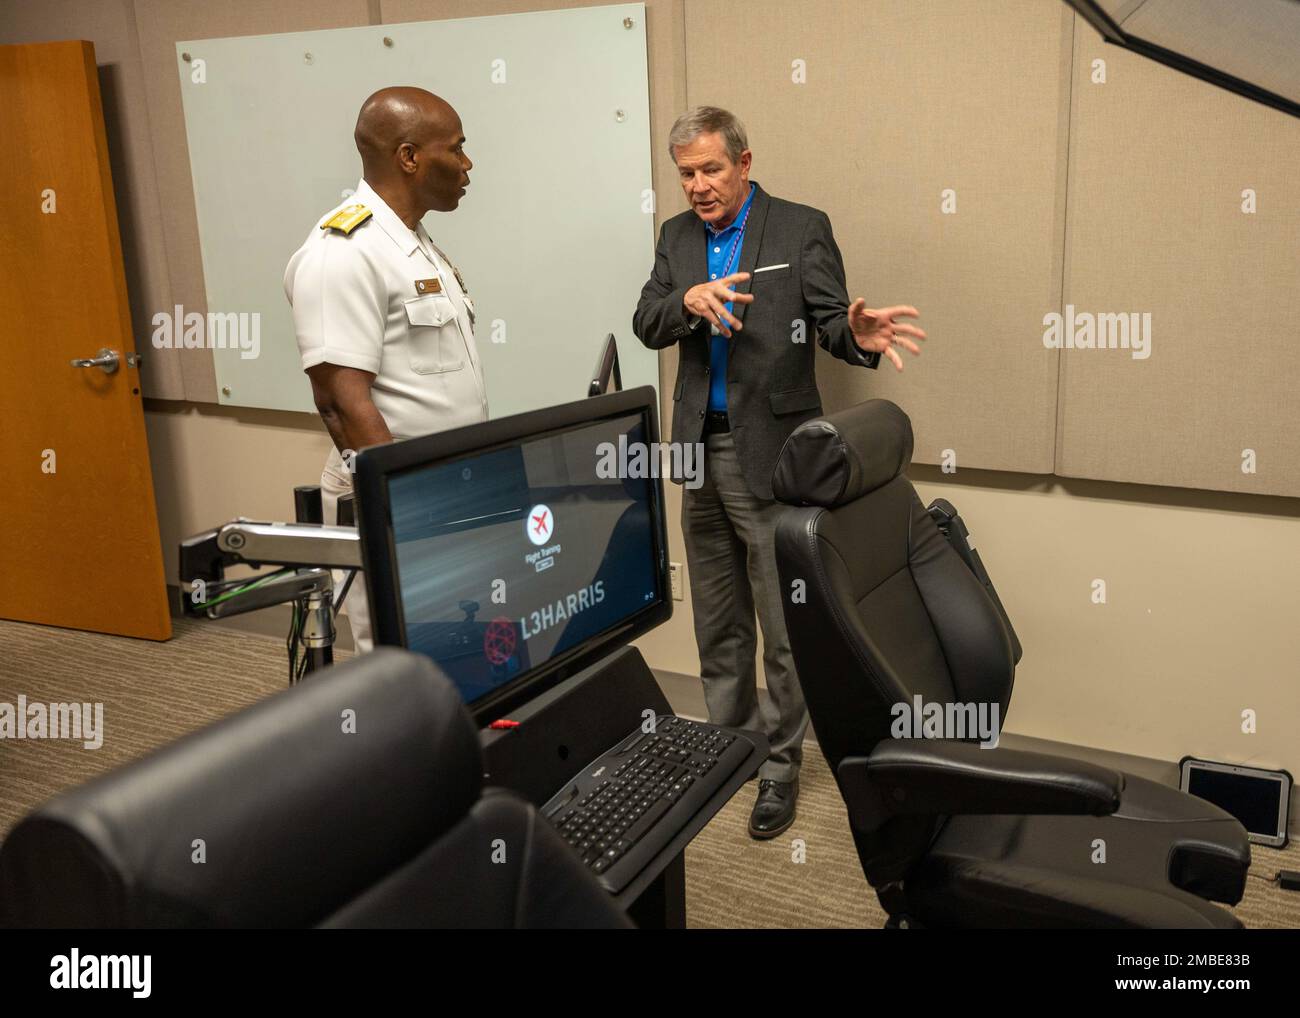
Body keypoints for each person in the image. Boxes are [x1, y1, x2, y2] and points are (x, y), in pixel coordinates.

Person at [633, 106, 925, 838]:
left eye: (711, 170)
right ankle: (724, 750)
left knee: (782, 629)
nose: (699, 186)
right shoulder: (676, 237)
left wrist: (855, 338)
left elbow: (833, 321)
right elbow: (646, 319)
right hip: (698, 448)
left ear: (745, 162)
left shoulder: (800, 228)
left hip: (772, 455)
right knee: (717, 620)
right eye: (687, 174)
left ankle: (779, 769)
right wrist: (685, 302)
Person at [284, 86, 485, 653]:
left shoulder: (415, 244)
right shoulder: (343, 250)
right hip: (392, 494)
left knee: (451, 650)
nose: (468, 164)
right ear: (409, 157)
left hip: (441, 484)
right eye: (458, 149)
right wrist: (399, 506)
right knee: (399, 660)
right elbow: (340, 402)